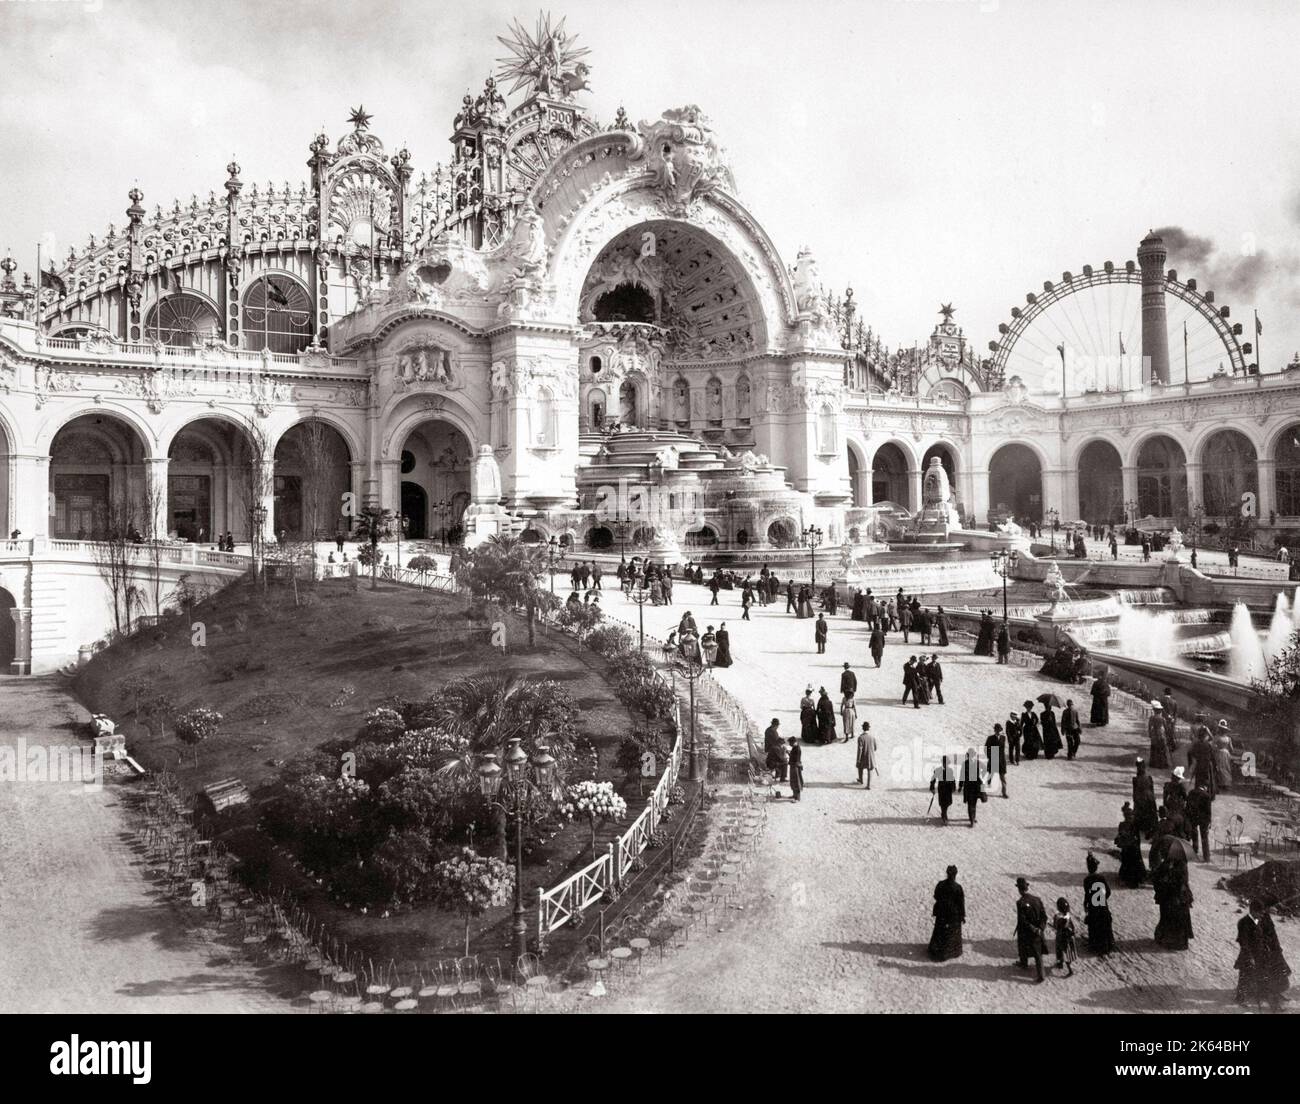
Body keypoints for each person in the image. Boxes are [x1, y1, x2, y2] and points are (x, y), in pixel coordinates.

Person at [1235, 899, 1292, 1011]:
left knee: (1265, 976)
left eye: (1263, 912)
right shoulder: (1243, 922)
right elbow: (1244, 943)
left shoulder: (1260, 920)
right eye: (1260, 913)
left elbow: (1266, 936)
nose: (1262, 915)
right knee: (1245, 976)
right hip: (1248, 955)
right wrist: (1250, 957)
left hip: (1261, 954)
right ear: (1252, 911)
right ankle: (1240, 997)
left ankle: (1271, 1002)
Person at [1152, 852, 1193, 950]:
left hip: (1178, 897)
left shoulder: (1181, 864)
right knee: (1169, 918)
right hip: (1169, 896)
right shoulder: (1167, 863)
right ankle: (1168, 939)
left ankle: (1178, 942)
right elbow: (1158, 876)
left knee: (1178, 920)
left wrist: (1170, 873)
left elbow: (1181, 880)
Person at [927, 865, 965, 961]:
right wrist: (962, 916)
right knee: (951, 933)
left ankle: (936, 950)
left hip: (942, 912)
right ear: (955, 874)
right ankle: (951, 952)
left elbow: (936, 896)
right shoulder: (958, 887)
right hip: (953, 915)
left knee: (940, 930)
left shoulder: (940, 884)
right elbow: (961, 903)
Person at [1014, 877, 1048, 983]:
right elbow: (1044, 916)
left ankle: (1025, 964)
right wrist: (1040, 928)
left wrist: (1033, 929)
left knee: (1022, 945)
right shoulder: (1037, 899)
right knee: (1038, 953)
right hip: (1038, 930)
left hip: (1027, 931)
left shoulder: (1020, 903)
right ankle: (1040, 973)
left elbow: (1022, 920)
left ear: (1019, 889)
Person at [1082, 853, 1115, 954]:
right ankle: (1108, 944)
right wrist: (1103, 898)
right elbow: (1108, 892)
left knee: (1094, 924)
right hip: (1102, 904)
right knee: (1105, 923)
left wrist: (1086, 903)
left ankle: (1095, 945)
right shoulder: (1101, 878)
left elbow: (1087, 893)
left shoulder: (1087, 880)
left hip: (1093, 905)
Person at [1115, 803, 1147, 887]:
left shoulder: (1127, 824)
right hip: (1131, 847)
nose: (1131, 818)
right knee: (1131, 863)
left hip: (1130, 847)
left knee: (1128, 862)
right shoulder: (1129, 825)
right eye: (1130, 816)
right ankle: (1135, 878)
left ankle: (1127, 878)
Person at [1185, 777, 1213, 861]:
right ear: (1206, 787)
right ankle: (1206, 857)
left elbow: (1188, 806)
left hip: (1193, 817)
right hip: (1203, 819)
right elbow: (1208, 811)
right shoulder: (1207, 796)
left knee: (1194, 834)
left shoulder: (1191, 792)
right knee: (1204, 837)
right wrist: (1209, 822)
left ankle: (1195, 850)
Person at [1132, 758, 1158, 839]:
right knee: (1148, 813)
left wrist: (1135, 798)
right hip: (1148, 797)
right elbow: (1151, 789)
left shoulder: (1136, 779)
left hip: (1142, 797)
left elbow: (1135, 790)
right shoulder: (1148, 778)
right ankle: (1148, 827)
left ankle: (1144, 827)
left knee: (1143, 812)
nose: (1140, 768)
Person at [958, 747, 984, 827]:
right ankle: (972, 819)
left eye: (973, 755)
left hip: (976, 786)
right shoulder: (965, 763)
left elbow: (986, 768)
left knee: (974, 803)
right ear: (968, 755)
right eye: (970, 755)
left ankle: (972, 817)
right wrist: (960, 786)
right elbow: (962, 775)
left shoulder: (977, 762)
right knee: (970, 803)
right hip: (968, 786)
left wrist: (981, 775)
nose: (972, 756)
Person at [1053, 898, 1078, 976]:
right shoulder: (1068, 915)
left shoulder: (1057, 916)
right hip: (1069, 937)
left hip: (1061, 937)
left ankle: (1065, 967)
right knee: (1068, 952)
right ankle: (1064, 965)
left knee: (1059, 950)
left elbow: (1056, 926)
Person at [930, 756, 956, 825]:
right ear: (942, 763)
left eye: (946, 763)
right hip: (942, 788)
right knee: (942, 803)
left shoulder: (950, 770)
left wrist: (953, 787)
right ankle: (944, 816)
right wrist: (932, 787)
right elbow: (933, 779)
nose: (945, 764)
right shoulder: (938, 770)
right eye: (944, 763)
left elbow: (953, 779)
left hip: (948, 789)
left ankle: (944, 813)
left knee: (947, 803)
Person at [985, 724, 1008, 798]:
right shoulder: (990, 738)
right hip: (993, 758)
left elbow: (1002, 749)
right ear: (995, 730)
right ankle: (986, 790)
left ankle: (1004, 793)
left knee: (1002, 778)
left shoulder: (1003, 738)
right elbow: (986, 748)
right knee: (990, 776)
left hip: (1001, 760)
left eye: (999, 730)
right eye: (997, 730)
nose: (998, 732)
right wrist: (990, 756)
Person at [1213, 720, 1235, 792]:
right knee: (1226, 768)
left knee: (1220, 768)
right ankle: (1225, 784)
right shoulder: (1228, 738)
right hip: (1226, 753)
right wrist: (1228, 751)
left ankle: (1220, 783)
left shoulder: (1217, 737)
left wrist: (1217, 748)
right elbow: (1232, 749)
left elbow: (1213, 746)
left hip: (1219, 753)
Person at [1147, 703, 1170, 769]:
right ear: (1160, 711)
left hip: (1154, 734)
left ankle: (1153, 763)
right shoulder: (1162, 719)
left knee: (1154, 748)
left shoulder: (1152, 718)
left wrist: (1150, 734)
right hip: (1161, 734)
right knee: (1162, 749)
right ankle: (1162, 763)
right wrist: (1167, 734)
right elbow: (1166, 728)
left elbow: (1149, 727)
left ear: (1154, 710)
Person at [855, 721, 878, 787]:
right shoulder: (872, 737)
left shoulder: (860, 738)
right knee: (870, 769)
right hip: (870, 757)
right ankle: (869, 785)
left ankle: (861, 779)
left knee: (860, 767)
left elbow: (860, 749)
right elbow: (875, 748)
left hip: (863, 756)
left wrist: (858, 760)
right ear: (868, 728)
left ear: (863, 728)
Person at [787, 736, 803, 801]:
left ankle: (798, 798)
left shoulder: (797, 749)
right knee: (793, 781)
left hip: (795, 767)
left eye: (790, 743)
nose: (790, 745)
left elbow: (795, 759)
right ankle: (794, 795)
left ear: (793, 742)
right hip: (793, 766)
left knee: (796, 781)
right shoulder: (795, 747)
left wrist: (789, 754)